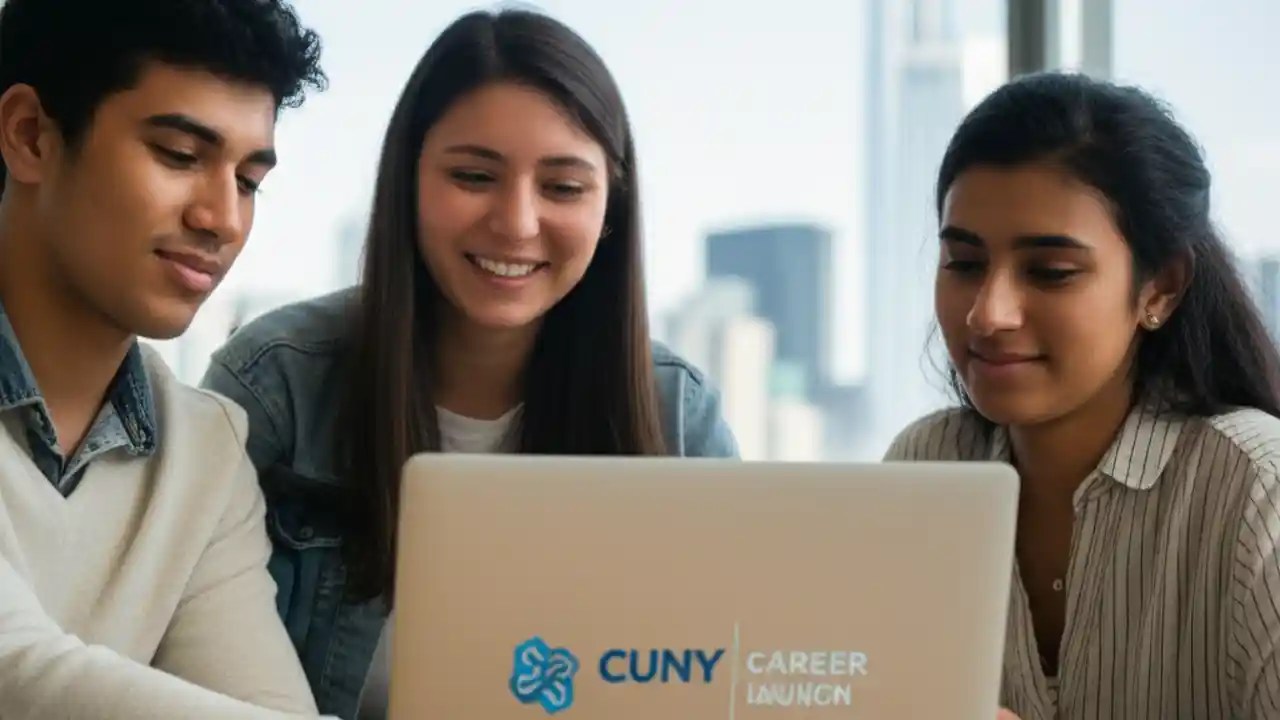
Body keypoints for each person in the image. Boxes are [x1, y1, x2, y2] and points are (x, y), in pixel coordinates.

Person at [199, 8, 738, 718]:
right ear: (409, 181)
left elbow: (732, 679)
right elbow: (187, 673)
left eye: (564, 187)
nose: (516, 222)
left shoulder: (676, 414)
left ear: (611, 208)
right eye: (474, 175)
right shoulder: (277, 386)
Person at [885, 71, 1280, 719]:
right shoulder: (925, 465)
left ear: (1161, 287)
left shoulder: (1256, 487)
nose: (989, 314)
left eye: (1051, 272)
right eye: (964, 263)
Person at [0, 0, 331, 718]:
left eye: (248, 180)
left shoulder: (206, 449)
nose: (222, 218)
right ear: (29, 136)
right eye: (180, 156)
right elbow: (14, 671)